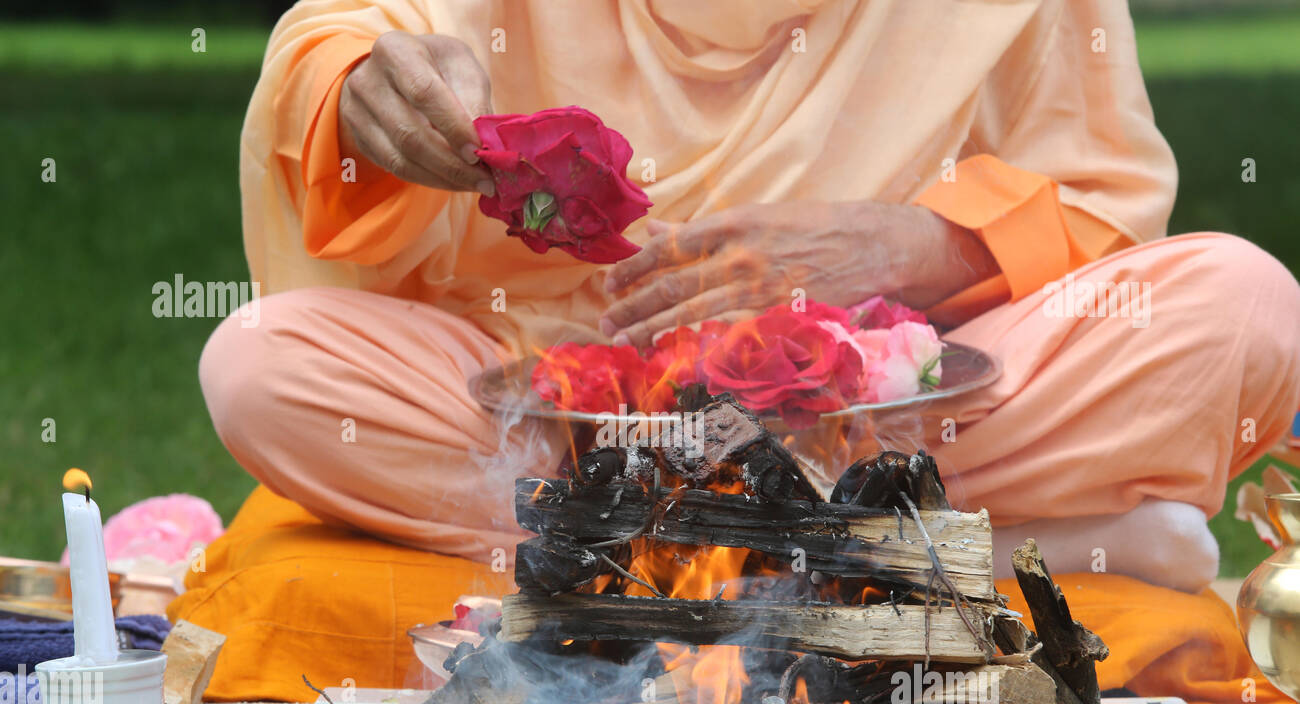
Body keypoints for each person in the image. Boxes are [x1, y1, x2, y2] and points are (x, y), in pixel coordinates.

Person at [201, 0, 1300, 597]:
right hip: (564, 418)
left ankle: (642, 560)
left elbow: (1097, 193)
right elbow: (351, 37)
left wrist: (909, 241)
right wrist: (362, 99)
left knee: (1244, 303)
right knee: (265, 367)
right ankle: (969, 547)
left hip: (879, 409)